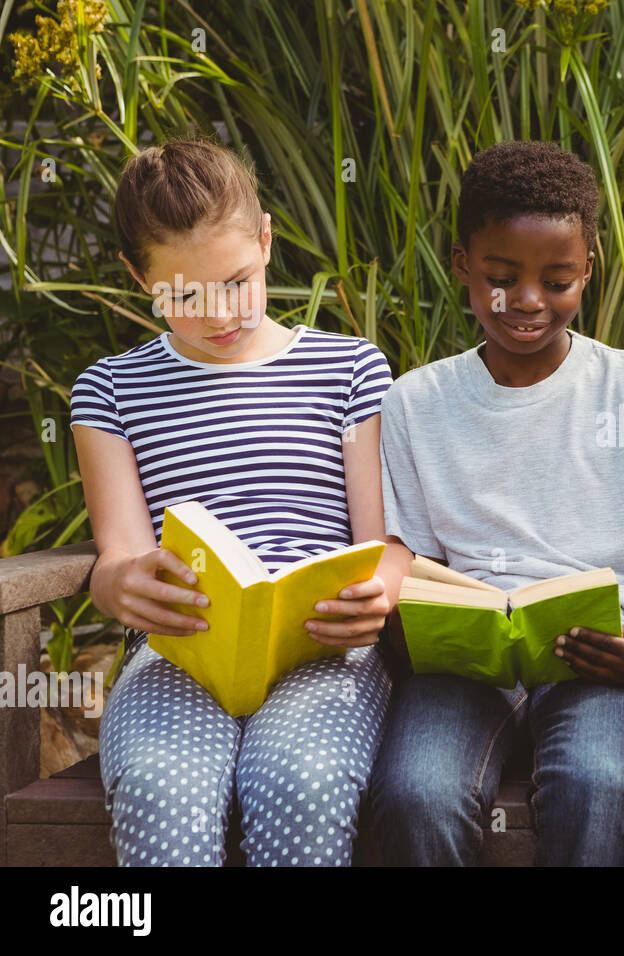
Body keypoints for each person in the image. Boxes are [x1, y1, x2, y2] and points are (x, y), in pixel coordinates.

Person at [70, 138, 408, 866]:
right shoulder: (111, 389)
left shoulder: (349, 368)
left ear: (265, 239)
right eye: (185, 296)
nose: (220, 313)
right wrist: (122, 585)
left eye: (238, 281)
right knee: (162, 787)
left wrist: (379, 591)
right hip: (181, 654)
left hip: (322, 651)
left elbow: (385, 544)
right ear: (139, 278)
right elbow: (119, 555)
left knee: (303, 781)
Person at [366, 140, 624, 866]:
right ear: (462, 265)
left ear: (589, 268)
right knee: (416, 791)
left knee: (599, 783)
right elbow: (410, 561)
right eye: (501, 278)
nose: (529, 301)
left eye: (558, 279)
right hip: (465, 666)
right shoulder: (419, 401)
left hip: (596, 658)